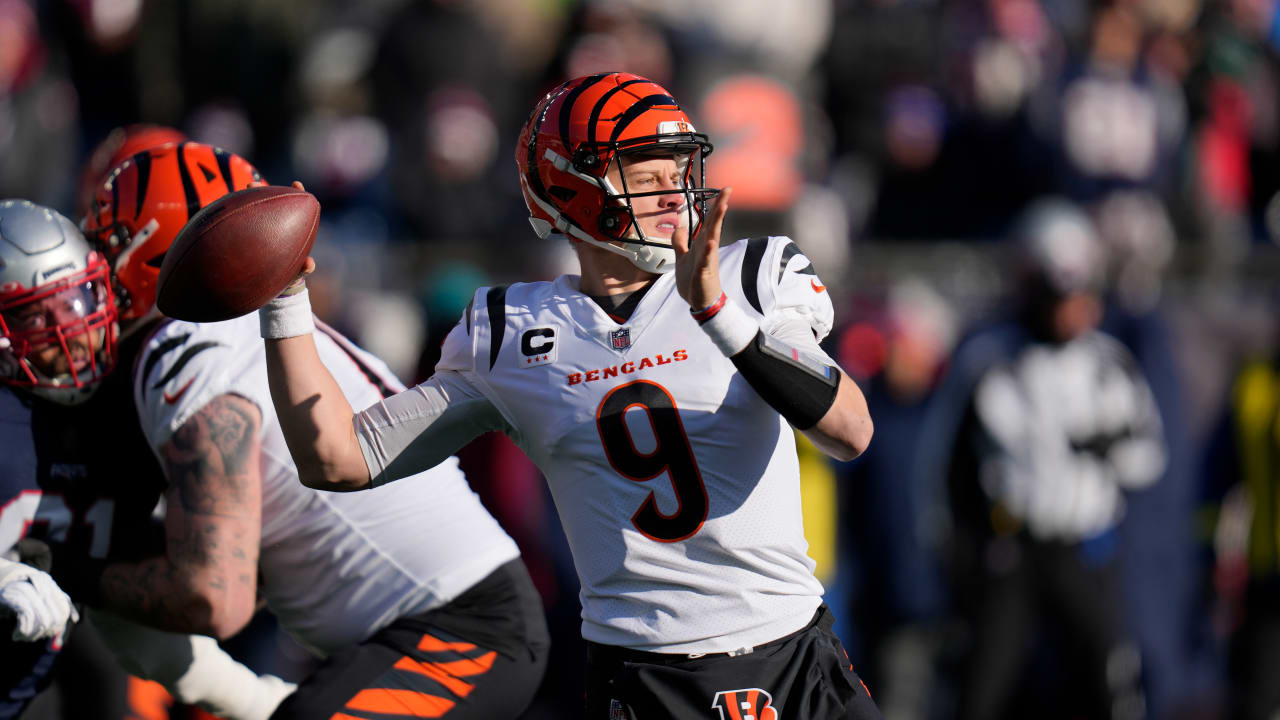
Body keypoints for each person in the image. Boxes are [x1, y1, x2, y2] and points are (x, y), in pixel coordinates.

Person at [259, 71, 881, 719]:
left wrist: (720, 314)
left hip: (798, 655)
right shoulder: (508, 334)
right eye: (647, 177)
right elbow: (336, 458)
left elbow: (849, 430)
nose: (676, 193)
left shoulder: (751, 276)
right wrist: (283, 302)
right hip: (653, 682)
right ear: (571, 189)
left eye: (680, 170)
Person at [72, 141, 549, 719]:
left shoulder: (190, 349)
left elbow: (213, 595)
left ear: (168, 246)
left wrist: (68, 570)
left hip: (463, 630)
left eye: (112, 243)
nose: (95, 269)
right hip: (425, 629)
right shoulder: (238, 337)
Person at [0, 198, 294, 720]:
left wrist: (263, 704)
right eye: (35, 313)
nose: (73, 328)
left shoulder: (122, 417)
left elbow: (142, 635)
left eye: (79, 298)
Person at [928, 198, 1165, 720]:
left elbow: (1150, 456)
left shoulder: (1109, 365)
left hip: (1086, 552)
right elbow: (946, 465)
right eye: (1056, 293)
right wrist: (965, 545)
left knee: (1109, 682)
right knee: (981, 684)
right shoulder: (989, 361)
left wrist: (1111, 449)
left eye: (1080, 292)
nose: (1070, 308)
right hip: (1013, 551)